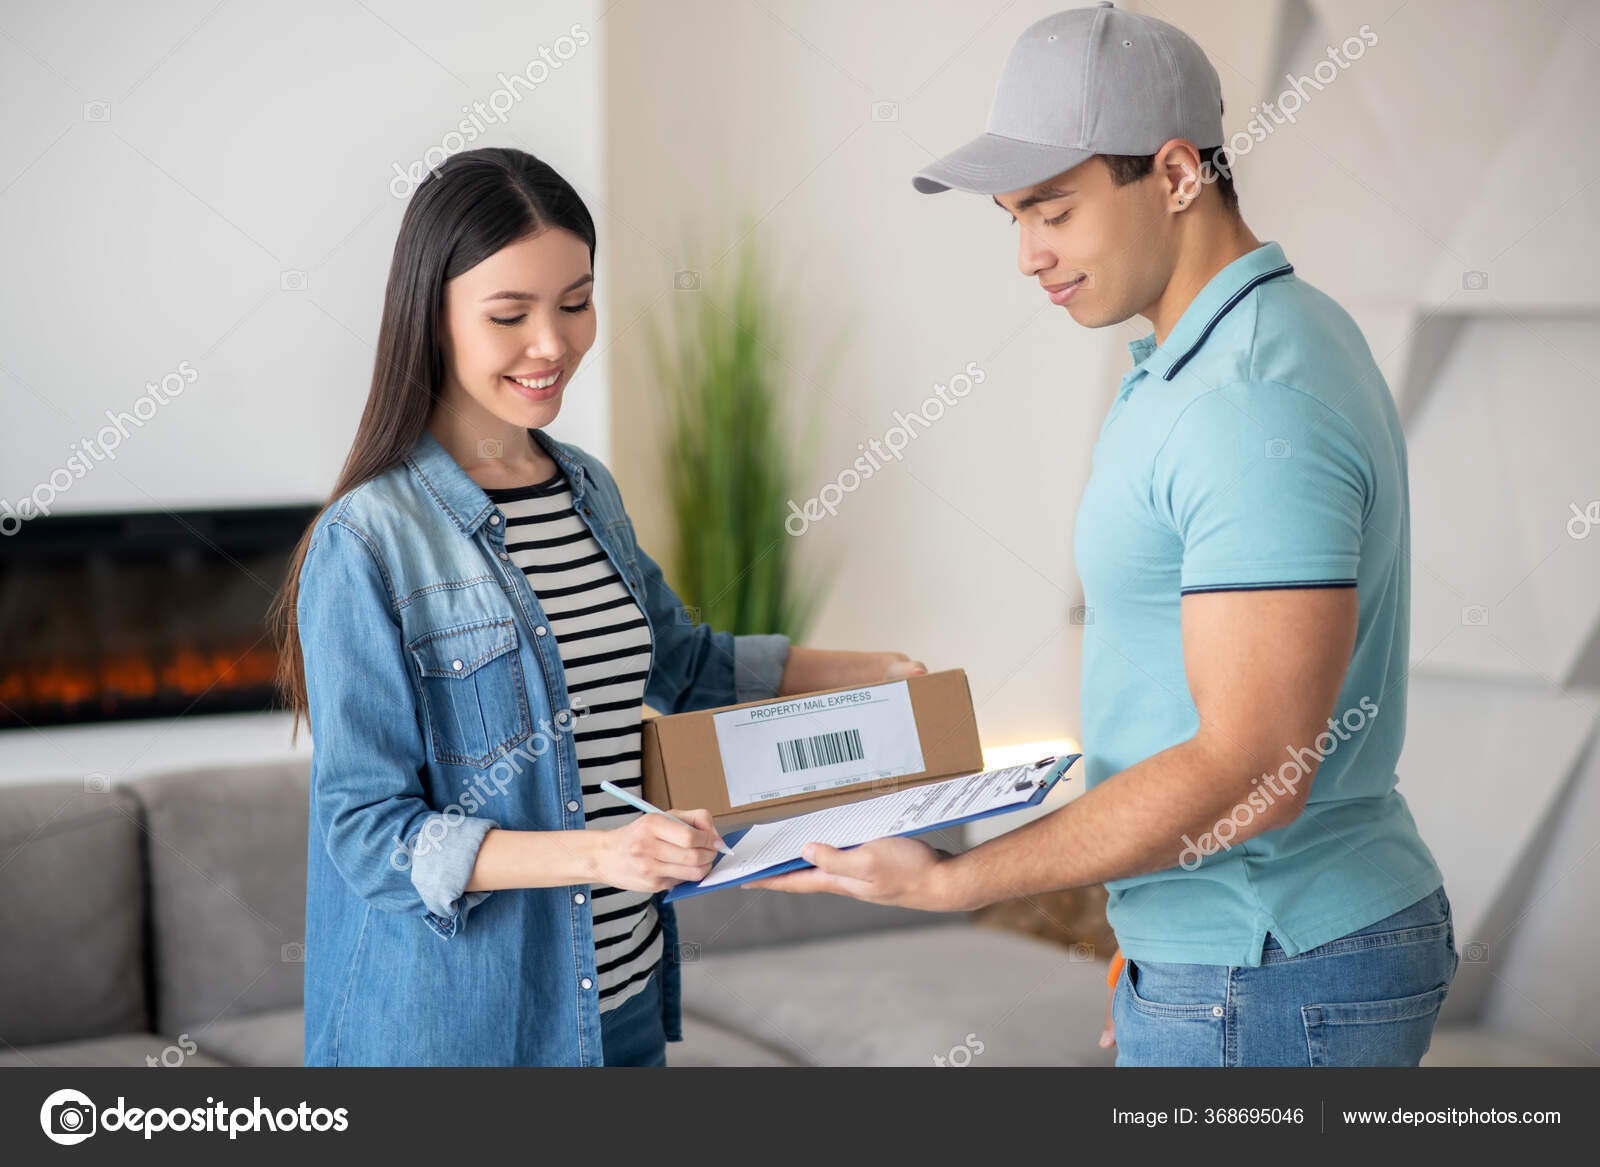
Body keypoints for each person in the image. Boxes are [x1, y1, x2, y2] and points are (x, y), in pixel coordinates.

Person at [749, 4, 1458, 1068]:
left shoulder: (1246, 401)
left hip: (1269, 962)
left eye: (1054, 211)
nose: (1029, 255)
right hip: (1232, 955)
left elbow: (1255, 772)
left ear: (1176, 175)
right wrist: (1157, 948)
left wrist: (954, 881)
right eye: (1014, 220)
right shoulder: (1237, 348)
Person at [270, 146, 923, 1066]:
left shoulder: (586, 490)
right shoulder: (369, 539)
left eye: (576, 303)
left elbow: (685, 663)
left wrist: (880, 675)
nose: (554, 343)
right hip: (468, 1035)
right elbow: (370, 835)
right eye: (511, 314)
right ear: (433, 318)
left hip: (618, 1005)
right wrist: (600, 853)